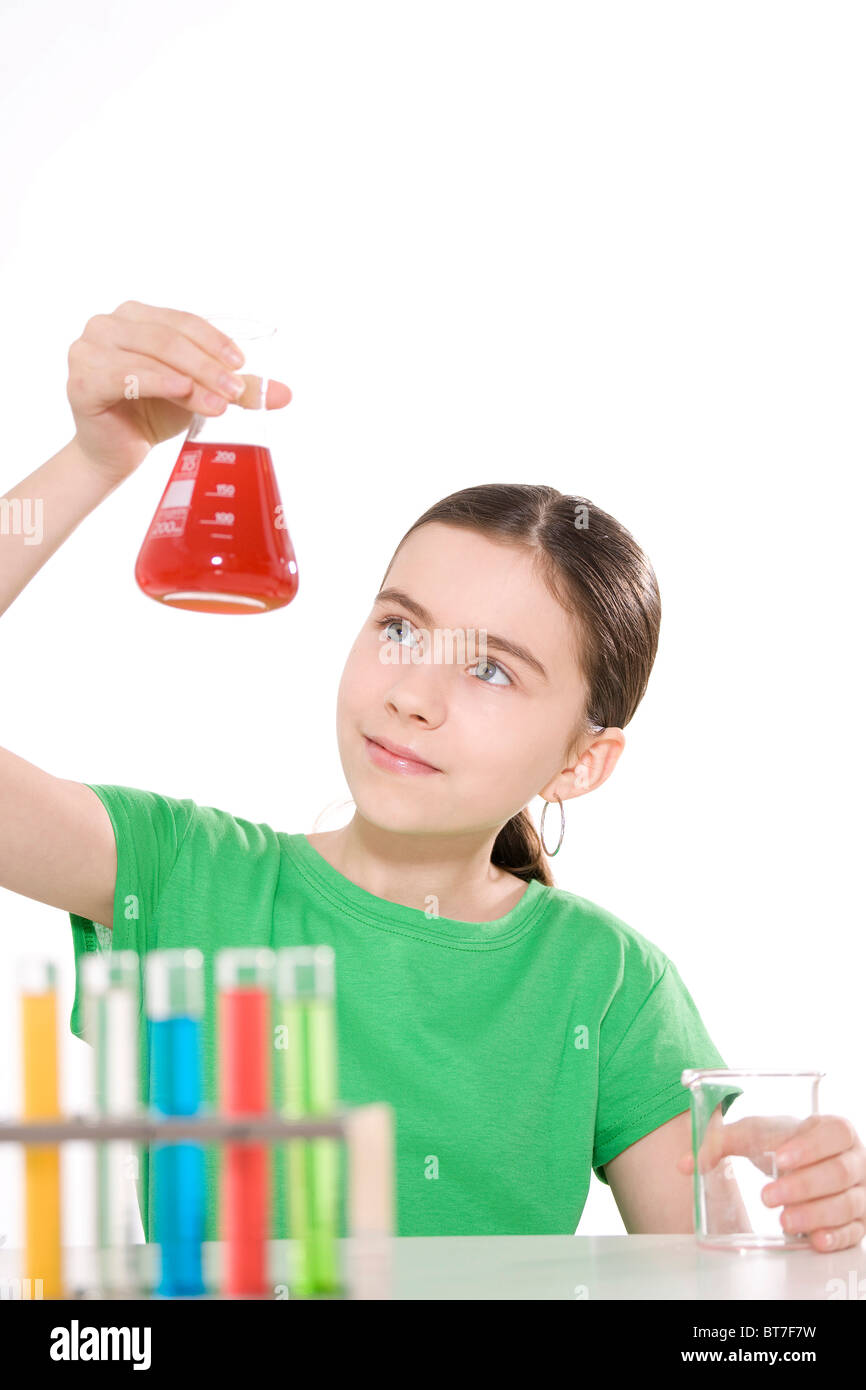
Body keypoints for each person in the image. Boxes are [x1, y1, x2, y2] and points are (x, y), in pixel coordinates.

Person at [1, 300, 862, 1252]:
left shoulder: (609, 984)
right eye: (400, 628)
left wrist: (811, 1225)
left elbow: (718, 1294)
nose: (414, 693)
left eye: (491, 669)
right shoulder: (183, 878)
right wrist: (96, 460)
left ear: (584, 762)